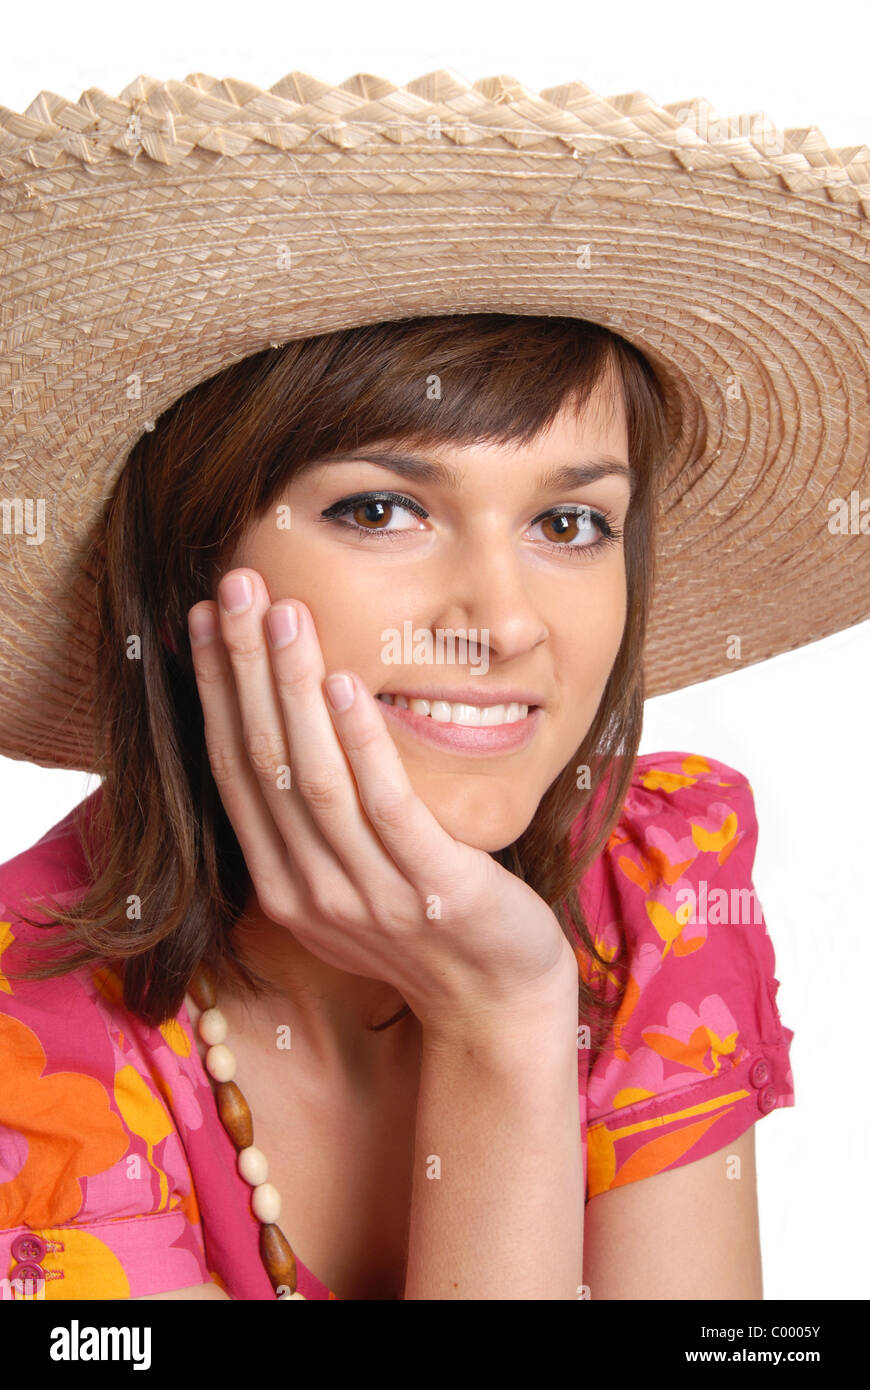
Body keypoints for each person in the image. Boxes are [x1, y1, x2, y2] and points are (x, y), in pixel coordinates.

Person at [1, 69, 864, 1302]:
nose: (505, 622)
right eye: (382, 507)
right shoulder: (29, 1041)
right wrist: (502, 1022)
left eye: (571, 521)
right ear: (193, 565)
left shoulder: (649, 887)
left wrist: (512, 999)